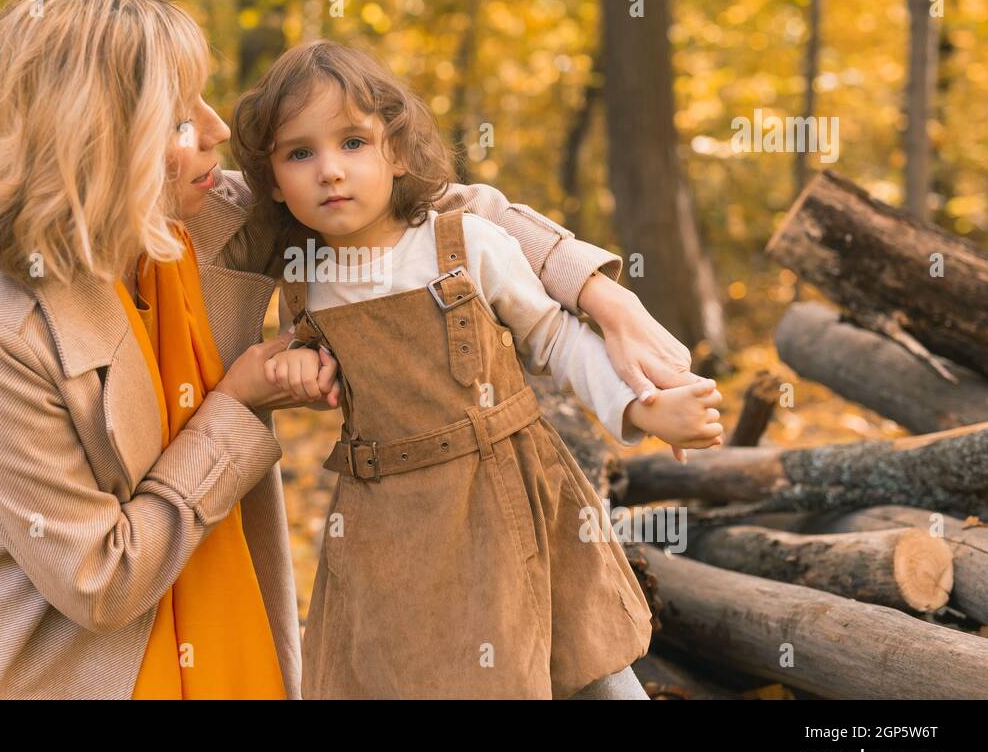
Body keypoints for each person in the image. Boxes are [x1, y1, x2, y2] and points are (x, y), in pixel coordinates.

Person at [0, 0, 701, 699]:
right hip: (33, 652)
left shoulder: (201, 219)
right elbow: (97, 579)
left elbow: (437, 205)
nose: (220, 131)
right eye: (181, 120)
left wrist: (601, 296)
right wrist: (236, 403)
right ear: (104, 149)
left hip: (197, 601)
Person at [231, 40, 723, 698]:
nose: (329, 170)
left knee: (579, 652)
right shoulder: (308, 280)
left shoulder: (463, 244)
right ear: (272, 178)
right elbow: (311, 361)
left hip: (504, 487)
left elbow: (553, 336)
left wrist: (640, 407)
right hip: (389, 518)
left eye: (353, 142)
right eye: (300, 153)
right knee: (415, 666)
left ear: (398, 151)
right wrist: (295, 363)